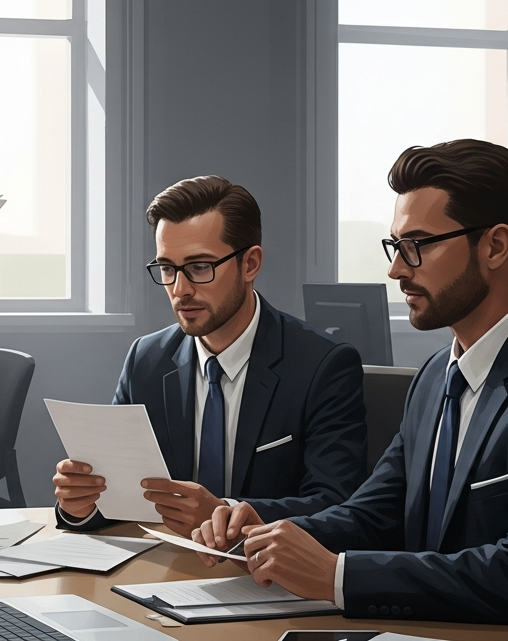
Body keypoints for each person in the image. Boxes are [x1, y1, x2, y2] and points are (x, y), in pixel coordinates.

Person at [191, 140, 508, 641]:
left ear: (496, 246)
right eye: (396, 247)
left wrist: (336, 576)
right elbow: (377, 512)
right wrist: (261, 529)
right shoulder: (436, 373)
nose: (397, 269)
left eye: (417, 245)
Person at [53, 176, 368, 537]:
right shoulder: (146, 359)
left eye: (200, 267)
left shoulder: (322, 365)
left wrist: (225, 512)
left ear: (250, 264)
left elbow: (338, 503)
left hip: (268, 575)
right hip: (165, 570)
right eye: (168, 268)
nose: (180, 289)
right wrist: (81, 506)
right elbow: (119, 497)